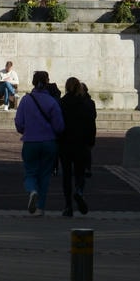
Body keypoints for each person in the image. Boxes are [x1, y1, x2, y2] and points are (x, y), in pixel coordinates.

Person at [14, 69, 66, 214]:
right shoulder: (52, 101)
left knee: (30, 172)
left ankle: (32, 190)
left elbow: (19, 122)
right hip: (49, 141)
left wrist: (26, 130)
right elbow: (59, 126)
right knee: (45, 175)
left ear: (33, 82)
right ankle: (40, 207)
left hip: (30, 141)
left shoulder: (25, 100)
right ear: (47, 81)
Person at [59, 77, 96, 217]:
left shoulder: (62, 102)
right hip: (81, 143)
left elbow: (58, 123)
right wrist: (91, 141)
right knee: (80, 172)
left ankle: (68, 206)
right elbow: (91, 124)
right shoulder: (87, 103)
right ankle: (79, 191)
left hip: (65, 143)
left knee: (67, 175)